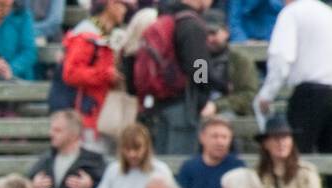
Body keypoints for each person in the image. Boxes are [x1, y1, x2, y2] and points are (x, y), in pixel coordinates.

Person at [256, 0, 332, 155]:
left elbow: (281, 58)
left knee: (296, 156)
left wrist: (267, 94)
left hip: (311, 94)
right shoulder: (329, 13)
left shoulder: (291, 13)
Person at [142, 0, 213, 157]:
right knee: (179, 161)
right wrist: (202, 95)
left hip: (162, 101)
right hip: (183, 104)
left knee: (163, 160)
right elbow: (198, 64)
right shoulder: (191, 24)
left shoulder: (168, 18)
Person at [58, 0, 130, 140]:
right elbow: (71, 73)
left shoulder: (109, 34)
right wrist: (105, 75)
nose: (125, 10)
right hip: (89, 117)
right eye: (123, 5)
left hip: (106, 114)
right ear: (111, 4)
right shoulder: (86, 35)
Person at [28, 109, 106, 188]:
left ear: (73, 134)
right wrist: (33, 186)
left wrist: (91, 186)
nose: (51, 134)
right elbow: (25, 185)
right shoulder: (46, 160)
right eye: (52, 129)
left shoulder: (93, 161)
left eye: (57, 130)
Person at [176, 116, 245, 188]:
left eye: (225, 137)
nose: (220, 142)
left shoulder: (237, 167)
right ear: (202, 138)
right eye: (215, 136)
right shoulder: (189, 167)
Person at [203, 9, 259, 117]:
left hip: (233, 111)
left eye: (213, 33)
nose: (209, 39)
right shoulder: (199, 60)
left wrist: (217, 106)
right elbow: (198, 87)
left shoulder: (240, 60)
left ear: (226, 32)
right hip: (203, 110)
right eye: (205, 34)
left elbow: (248, 94)